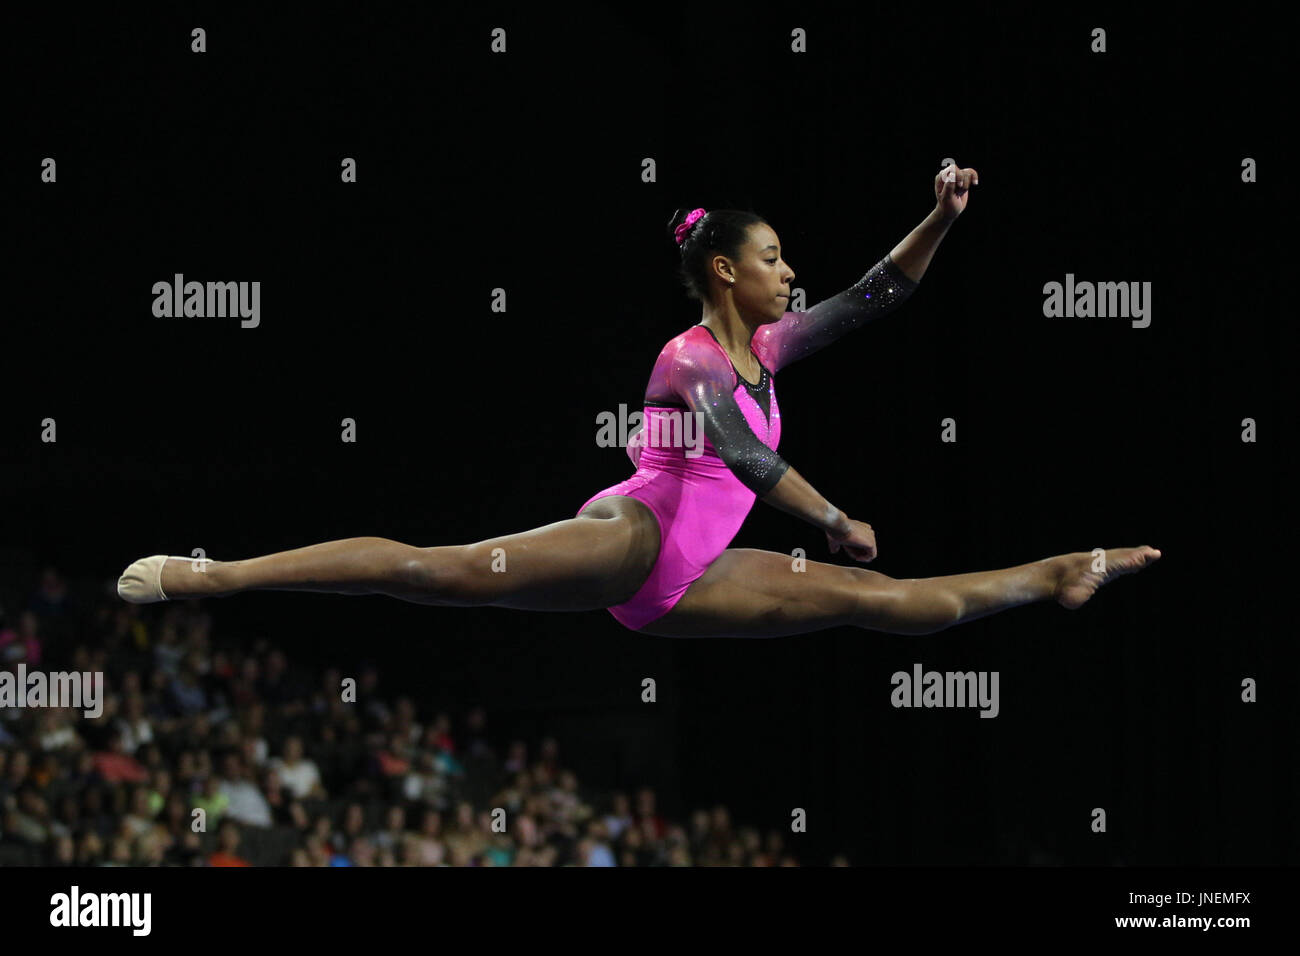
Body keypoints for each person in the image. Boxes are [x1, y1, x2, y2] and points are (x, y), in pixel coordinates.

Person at [117, 164, 1160, 637]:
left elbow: (874, 294)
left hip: (689, 579)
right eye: (771, 257)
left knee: (883, 602)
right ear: (721, 272)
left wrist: (939, 216)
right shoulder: (690, 358)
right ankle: (219, 574)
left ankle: (1057, 571)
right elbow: (746, 464)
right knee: (432, 572)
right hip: (634, 533)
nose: (790, 273)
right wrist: (831, 515)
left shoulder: (770, 344)